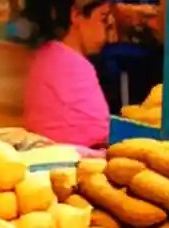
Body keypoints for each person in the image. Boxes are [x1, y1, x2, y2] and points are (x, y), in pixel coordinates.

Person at [23, 0, 113, 149]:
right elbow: (98, 134)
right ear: (76, 14)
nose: (106, 35)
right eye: (103, 19)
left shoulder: (42, 57)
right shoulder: (75, 67)